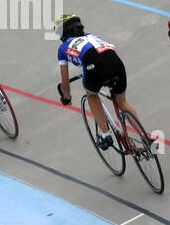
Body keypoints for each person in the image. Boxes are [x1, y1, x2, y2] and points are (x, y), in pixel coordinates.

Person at [53, 14, 140, 150]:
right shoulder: (92, 36)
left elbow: (65, 82)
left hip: (94, 65)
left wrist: (66, 96)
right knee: (122, 101)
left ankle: (106, 135)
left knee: (92, 95)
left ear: (63, 35)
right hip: (116, 62)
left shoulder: (63, 48)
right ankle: (146, 138)